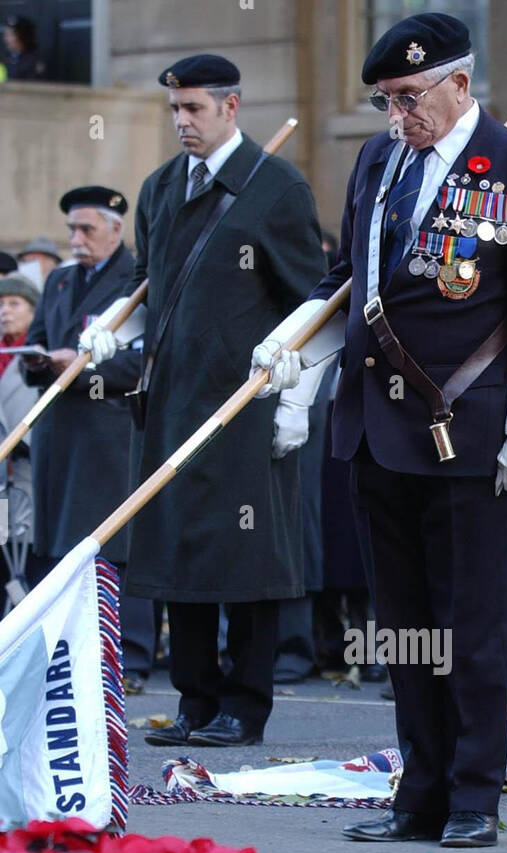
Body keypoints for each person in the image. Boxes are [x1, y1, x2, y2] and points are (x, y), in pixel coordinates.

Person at [251, 13, 507, 846]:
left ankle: (474, 799)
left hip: (470, 433)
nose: (398, 116)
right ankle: (420, 795)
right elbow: (347, 286)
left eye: (409, 97)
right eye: (384, 101)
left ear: (459, 84)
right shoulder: (376, 160)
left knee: (470, 625)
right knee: (406, 626)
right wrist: (295, 344)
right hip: (374, 429)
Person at [79, 54, 327, 747]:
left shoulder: (274, 187)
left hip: (242, 403)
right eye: (175, 110)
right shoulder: (159, 188)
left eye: (194, 108)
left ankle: (243, 707)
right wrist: (110, 328)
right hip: (171, 400)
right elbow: (146, 287)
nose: (182, 122)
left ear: (230, 107)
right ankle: (193, 702)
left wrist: (294, 393)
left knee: (245, 560)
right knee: (177, 555)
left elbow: (312, 298)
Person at [21, 186, 155, 690]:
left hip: (108, 429)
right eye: (71, 230)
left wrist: (74, 368)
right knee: (56, 544)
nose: (76, 240)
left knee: (113, 545)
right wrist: (41, 363)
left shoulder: (134, 280)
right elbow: (38, 337)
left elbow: (135, 360)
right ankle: (64, 654)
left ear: (115, 229)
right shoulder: (57, 281)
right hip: (59, 430)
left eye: (86, 229)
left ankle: (132, 657)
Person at [0, 273, 40, 596]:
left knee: (26, 562)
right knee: (2, 554)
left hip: (26, 477)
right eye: (0, 304)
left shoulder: (38, 358)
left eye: (14, 303)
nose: (5, 311)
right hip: (0, 486)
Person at [1, 16, 44, 80]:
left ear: (23, 36)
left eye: (11, 35)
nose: (6, 39)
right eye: (6, 34)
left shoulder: (34, 60)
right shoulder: (4, 58)